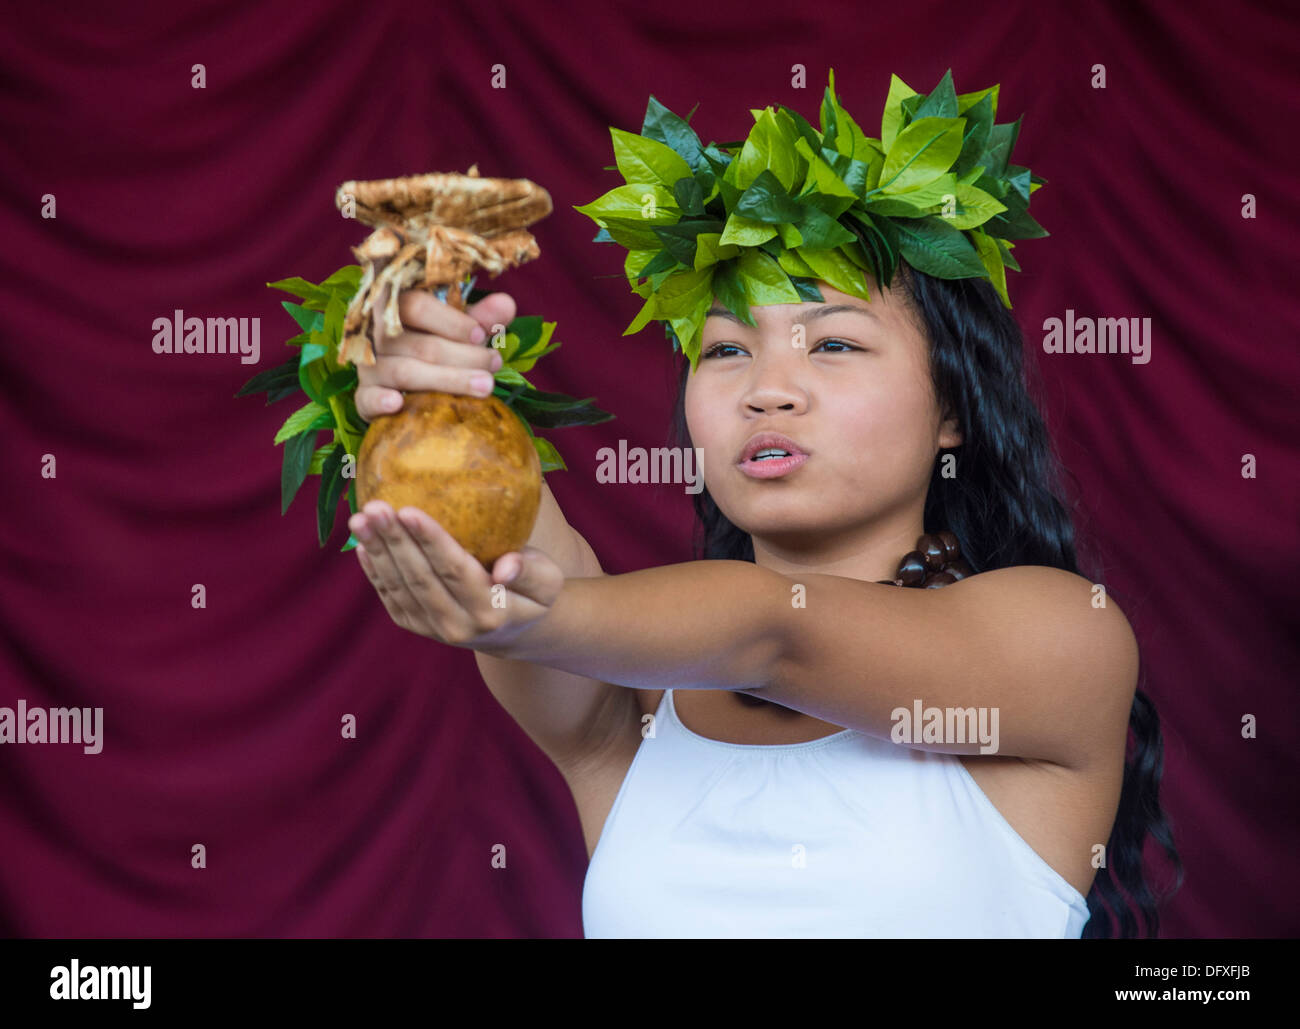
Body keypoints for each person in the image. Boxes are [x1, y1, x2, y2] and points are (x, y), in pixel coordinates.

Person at [346, 70, 1183, 937]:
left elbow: (773, 631)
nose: (767, 391)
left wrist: (528, 613)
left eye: (835, 342)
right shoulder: (628, 718)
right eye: (726, 351)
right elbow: (500, 531)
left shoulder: (1061, 636)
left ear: (952, 411)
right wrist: (437, 390)